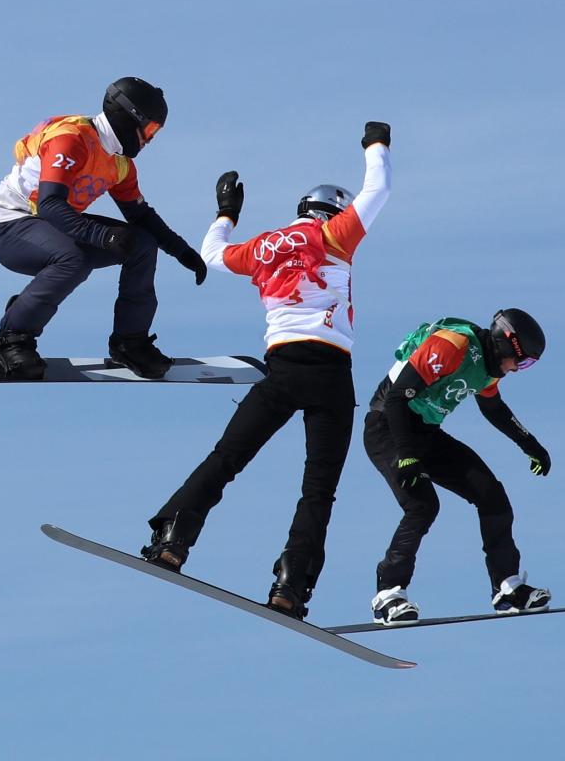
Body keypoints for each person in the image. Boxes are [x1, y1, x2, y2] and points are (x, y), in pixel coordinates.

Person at [140, 121, 393, 619]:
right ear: (333, 211)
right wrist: (376, 142)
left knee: (228, 457)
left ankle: (174, 537)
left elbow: (212, 256)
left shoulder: (264, 247)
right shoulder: (336, 235)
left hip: (280, 368)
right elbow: (379, 187)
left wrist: (227, 213)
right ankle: (290, 587)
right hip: (331, 372)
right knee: (318, 489)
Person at [0, 77, 207, 380]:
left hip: (55, 229)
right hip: (12, 226)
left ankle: (131, 343)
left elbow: (141, 216)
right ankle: (13, 337)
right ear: (129, 117)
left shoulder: (121, 164)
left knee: (140, 243)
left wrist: (182, 251)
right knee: (73, 258)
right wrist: (104, 235)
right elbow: (50, 204)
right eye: (151, 129)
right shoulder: (72, 139)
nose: (150, 139)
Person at [362, 309, 552, 625]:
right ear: (507, 344)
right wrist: (407, 455)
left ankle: (508, 588)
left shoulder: (490, 368)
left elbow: (494, 409)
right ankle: (388, 595)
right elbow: (396, 399)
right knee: (422, 505)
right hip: (389, 427)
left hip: (425, 433)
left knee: (492, 496)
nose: (519, 369)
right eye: (523, 361)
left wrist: (531, 445)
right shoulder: (453, 344)